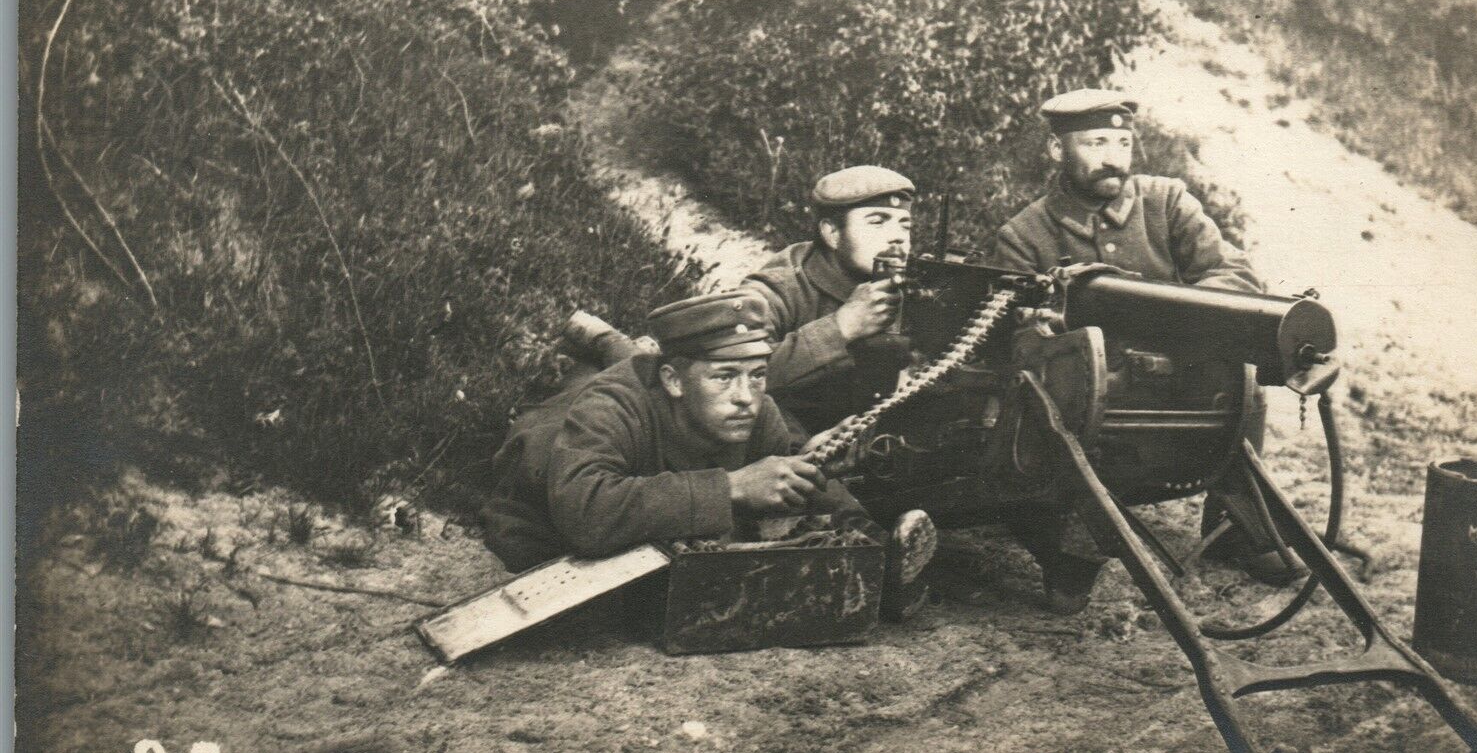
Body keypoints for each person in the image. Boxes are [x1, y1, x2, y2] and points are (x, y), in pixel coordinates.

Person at [989, 88, 1299, 599]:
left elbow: (1231, 272)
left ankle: (1239, 527)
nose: (1113, 157)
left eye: (1123, 142)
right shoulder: (1024, 235)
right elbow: (1019, 343)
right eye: (1095, 142)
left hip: (1185, 370)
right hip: (1093, 389)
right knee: (1047, 406)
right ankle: (1068, 541)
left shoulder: (1167, 201)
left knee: (1243, 384)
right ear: (1056, 151)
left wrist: (1184, 320)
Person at [479, 291, 936, 618]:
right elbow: (586, 513)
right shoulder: (609, 409)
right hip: (549, 445)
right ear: (675, 380)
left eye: (758, 374)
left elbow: (787, 475)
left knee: (636, 361)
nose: (746, 397)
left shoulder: (754, 408)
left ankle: (606, 339)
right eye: (725, 376)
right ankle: (596, 342)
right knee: (591, 378)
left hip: (656, 404)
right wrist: (733, 487)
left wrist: (824, 479)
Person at [741, 165, 916, 439]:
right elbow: (737, 380)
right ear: (832, 233)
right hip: (793, 448)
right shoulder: (777, 289)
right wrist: (840, 328)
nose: (897, 236)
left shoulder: (913, 286)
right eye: (877, 221)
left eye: (904, 225)